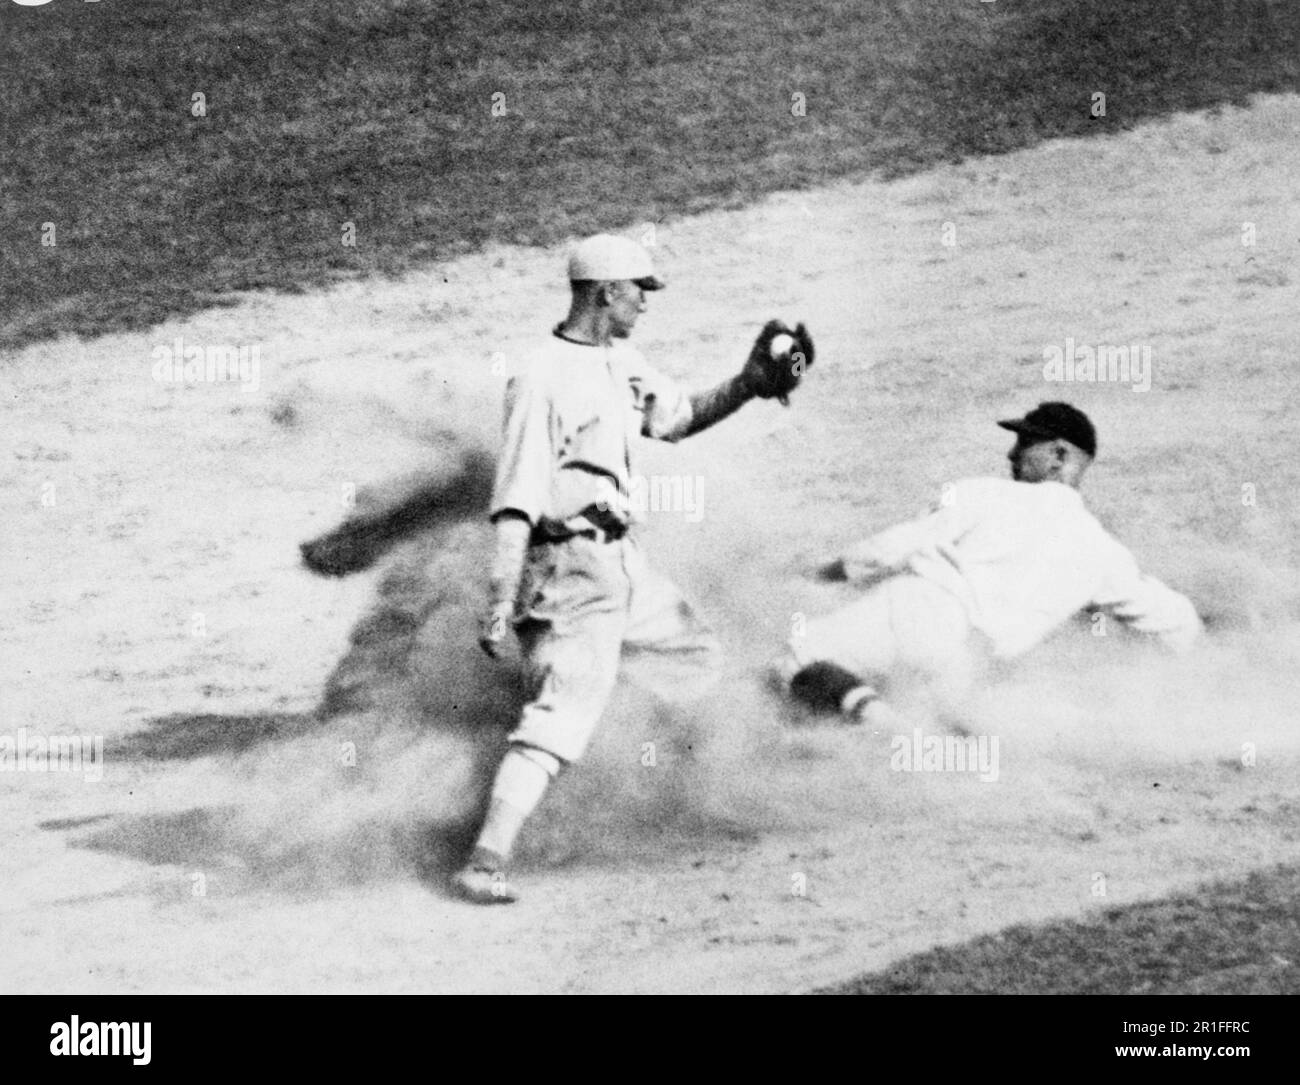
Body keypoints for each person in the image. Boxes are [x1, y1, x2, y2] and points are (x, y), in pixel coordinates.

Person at [452, 233, 813, 903]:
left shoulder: (621, 360)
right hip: (568, 567)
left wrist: (749, 385)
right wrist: (501, 599)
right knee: (563, 713)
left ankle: (635, 781)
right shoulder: (541, 378)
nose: (647, 301)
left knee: (694, 655)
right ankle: (485, 858)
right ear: (604, 292)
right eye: (639, 290)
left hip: (621, 564)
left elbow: (676, 419)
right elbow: (515, 501)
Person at [775, 402, 1202, 725]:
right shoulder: (1105, 554)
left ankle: (886, 729)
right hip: (968, 669)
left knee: (797, 660)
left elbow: (889, 549)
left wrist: (822, 572)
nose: (1012, 455)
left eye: (1024, 442)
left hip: (921, 609)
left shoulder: (986, 493)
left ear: (1058, 455)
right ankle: (894, 728)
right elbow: (1176, 622)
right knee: (907, 704)